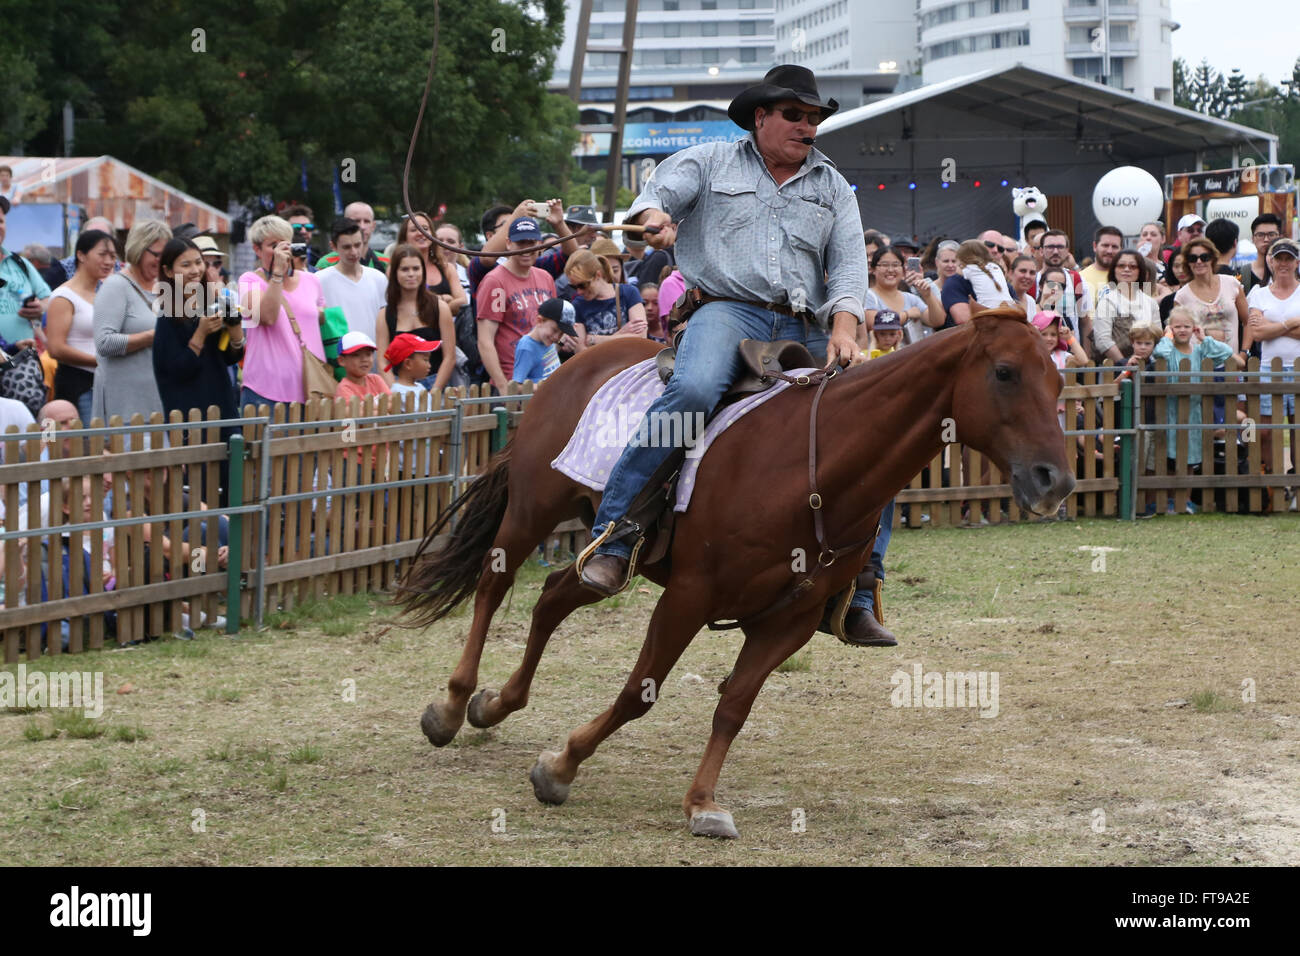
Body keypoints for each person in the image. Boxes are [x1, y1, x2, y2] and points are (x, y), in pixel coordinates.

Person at [578, 65, 884, 645]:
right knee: (692, 392)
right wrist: (654, 222)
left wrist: (845, 326)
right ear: (761, 117)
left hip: (805, 320)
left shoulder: (832, 185)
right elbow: (655, 200)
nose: (807, 125)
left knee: (878, 425)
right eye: (794, 114)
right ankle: (615, 536)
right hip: (727, 309)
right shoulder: (711, 160)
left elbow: (848, 269)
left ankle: (858, 591)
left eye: (814, 116)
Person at [152, 238, 245, 504]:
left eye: (198, 262)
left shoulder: (210, 301)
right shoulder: (168, 314)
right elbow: (178, 370)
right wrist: (201, 333)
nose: (195, 270)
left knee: (232, 486)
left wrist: (235, 329)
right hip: (190, 416)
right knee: (201, 491)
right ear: (169, 272)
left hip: (223, 408)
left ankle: (231, 543)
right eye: (185, 265)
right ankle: (205, 544)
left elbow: (230, 357)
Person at [237, 214, 327, 410]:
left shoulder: (311, 280)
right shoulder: (249, 281)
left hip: (311, 387)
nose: (280, 251)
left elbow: (320, 317)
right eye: (273, 245)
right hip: (265, 392)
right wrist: (278, 273)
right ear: (257, 249)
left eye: (284, 244)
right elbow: (267, 317)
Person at [91, 219, 170, 424]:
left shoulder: (164, 287)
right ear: (138, 249)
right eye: (157, 254)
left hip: (160, 405)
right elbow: (104, 343)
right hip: (125, 409)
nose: (162, 261)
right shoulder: (116, 287)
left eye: (166, 254)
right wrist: (153, 336)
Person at [1244, 237, 1300, 507]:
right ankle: (1275, 483)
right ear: (1272, 262)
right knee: (1265, 431)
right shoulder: (1258, 293)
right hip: (1268, 368)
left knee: (1298, 428)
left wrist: (1273, 325)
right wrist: (1291, 322)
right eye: (1279, 258)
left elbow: (1266, 328)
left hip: (1298, 369)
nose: (1284, 263)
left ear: (1297, 262)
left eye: (1289, 258)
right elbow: (1257, 332)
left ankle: (1297, 484)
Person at [474, 217, 557, 392]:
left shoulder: (546, 278)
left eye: (531, 242)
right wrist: (504, 386)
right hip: (512, 380)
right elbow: (485, 341)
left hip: (543, 381)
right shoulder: (495, 281)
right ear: (509, 243)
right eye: (521, 243)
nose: (527, 249)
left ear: (540, 245)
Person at [46, 229, 116, 422]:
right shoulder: (64, 296)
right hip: (78, 384)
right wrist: (98, 361)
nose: (109, 262)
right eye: (102, 254)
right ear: (81, 255)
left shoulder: (102, 295)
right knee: (84, 446)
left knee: (106, 445)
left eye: (112, 256)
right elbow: (55, 348)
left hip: (104, 383)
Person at [376, 244, 458, 392]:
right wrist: (395, 390)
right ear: (395, 273)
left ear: (423, 271)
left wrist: (434, 391)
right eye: (404, 269)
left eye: (416, 268)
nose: (411, 274)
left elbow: (449, 357)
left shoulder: (439, 308)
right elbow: (383, 360)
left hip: (436, 382)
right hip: (399, 386)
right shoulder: (385, 315)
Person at [468, 199, 582, 296]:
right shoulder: (479, 268)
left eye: (516, 222)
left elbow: (572, 256)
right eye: (507, 224)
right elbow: (486, 258)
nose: (515, 228)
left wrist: (559, 224)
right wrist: (516, 216)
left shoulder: (532, 266)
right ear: (490, 236)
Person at [317, 218, 388, 348]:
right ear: (333, 246)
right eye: (346, 247)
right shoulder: (319, 280)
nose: (354, 252)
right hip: (339, 361)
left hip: (374, 357)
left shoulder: (379, 278)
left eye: (357, 245)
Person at [1174, 236, 1248, 358]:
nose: (1199, 262)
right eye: (1193, 258)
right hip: (1198, 365)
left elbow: (1247, 321)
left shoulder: (1232, 284)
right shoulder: (1181, 296)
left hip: (1231, 364)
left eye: (1204, 257)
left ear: (1213, 259)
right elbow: (1178, 333)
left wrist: (1244, 352)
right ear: (1187, 263)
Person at [566, 248, 646, 349]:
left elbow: (641, 338)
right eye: (573, 287)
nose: (579, 292)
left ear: (598, 275)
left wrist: (595, 340)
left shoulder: (629, 292)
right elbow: (582, 353)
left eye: (582, 285)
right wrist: (621, 335)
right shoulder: (577, 305)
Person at [862, 246, 941, 347]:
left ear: (903, 270)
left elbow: (936, 321)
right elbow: (872, 322)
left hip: (910, 359)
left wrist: (928, 296)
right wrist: (907, 314)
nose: (890, 270)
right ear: (873, 269)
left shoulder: (910, 298)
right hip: (879, 359)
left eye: (895, 265)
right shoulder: (869, 296)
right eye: (884, 265)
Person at [1093, 249, 1161, 364]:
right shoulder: (1107, 301)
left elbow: (1158, 335)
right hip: (1116, 369)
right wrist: (1126, 364)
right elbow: (1103, 340)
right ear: (1114, 270)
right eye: (1121, 265)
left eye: (1133, 266)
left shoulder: (1150, 302)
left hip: (1149, 367)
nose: (1126, 269)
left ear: (1140, 271)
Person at [0, 202, 52, 347]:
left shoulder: (20, 263)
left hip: (24, 362)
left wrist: (40, 307)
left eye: (1, 221)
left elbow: (48, 300)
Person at [397, 212, 468, 314]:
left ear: (432, 236)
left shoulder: (447, 268)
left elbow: (462, 303)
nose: (421, 233)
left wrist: (432, 306)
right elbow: (404, 304)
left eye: (425, 229)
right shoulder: (396, 268)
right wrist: (443, 298)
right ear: (404, 238)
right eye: (414, 230)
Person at [513, 298, 577, 384]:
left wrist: (561, 343)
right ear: (539, 321)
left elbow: (547, 358)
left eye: (561, 333)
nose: (556, 337)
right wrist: (542, 387)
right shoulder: (526, 347)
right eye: (554, 330)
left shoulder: (546, 340)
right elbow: (516, 386)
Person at [315, 202, 390, 272]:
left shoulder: (386, 263)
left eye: (366, 221)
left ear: (373, 226)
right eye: (356, 221)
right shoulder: (326, 263)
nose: (362, 227)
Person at [385, 332, 440, 409]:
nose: (429, 365)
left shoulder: (420, 387)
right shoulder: (398, 392)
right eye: (425, 360)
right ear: (408, 364)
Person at [956, 239, 1013, 310]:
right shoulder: (996, 267)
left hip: (988, 310)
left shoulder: (970, 269)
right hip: (1010, 308)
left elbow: (956, 271)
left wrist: (959, 264)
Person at [1080, 225, 1123, 308]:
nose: (1109, 251)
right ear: (1095, 246)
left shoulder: (1130, 277)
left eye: (1114, 247)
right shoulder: (1081, 278)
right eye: (1105, 245)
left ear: (1121, 249)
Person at [1239, 213, 1283, 296]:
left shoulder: (1290, 270)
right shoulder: (1243, 274)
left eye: (1271, 234)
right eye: (1260, 235)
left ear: (1280, 237)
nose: (1266, 239)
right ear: (1252, 239)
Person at [282, 203, 319, 271]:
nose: (304, 231)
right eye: (296, 227)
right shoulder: (275, 260)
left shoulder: (319, 259)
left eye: (308, 227)